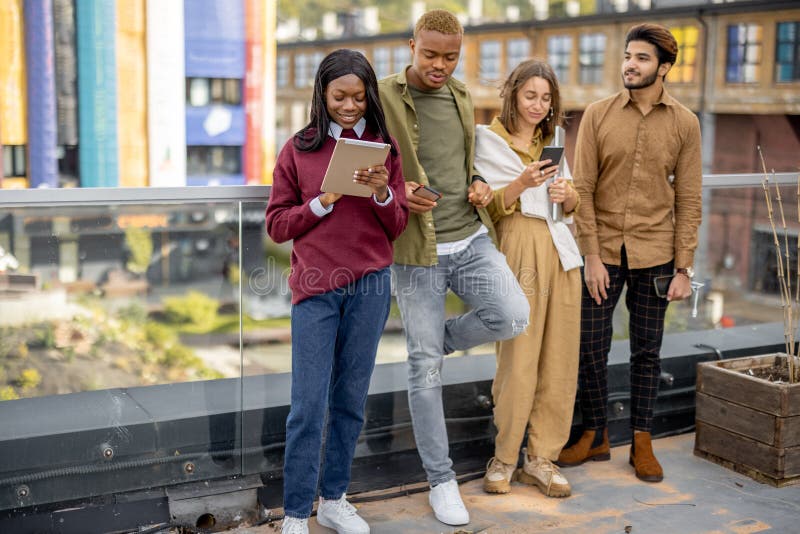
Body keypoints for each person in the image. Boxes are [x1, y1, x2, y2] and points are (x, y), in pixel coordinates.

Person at [378, 9, 530, 526]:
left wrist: (480, 185)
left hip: (470, 238)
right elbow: (361, 165)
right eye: (430, 54)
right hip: (416, 253)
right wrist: (395, 192)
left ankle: (431, 343)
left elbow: (465, 164)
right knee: (425, 373)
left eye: (450, 56)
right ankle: (441, 480)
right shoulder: (381, 95)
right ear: (411, 44)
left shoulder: (462, 96)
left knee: (512, 316)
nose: (440, 65)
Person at [265, 49, 408, 534]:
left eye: (358, 95)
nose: (350, 105)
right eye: (339, 96)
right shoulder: (298, 150)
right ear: (322, 96)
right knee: (308, 405)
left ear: (370, 94)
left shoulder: (384, 148)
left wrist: (382, 193)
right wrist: (322, 202)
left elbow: (398, 223)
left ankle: (334, 498)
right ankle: (294, 511)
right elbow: (277, 225)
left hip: (370, 286)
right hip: (315, 288)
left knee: (350, 399)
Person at [558, 23, 702, 483]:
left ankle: (642, 440)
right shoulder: (599, 115)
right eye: (627, 56)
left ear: (664, 67)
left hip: (656, 254)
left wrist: (684, 267)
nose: (630, 65)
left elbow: (690, 198)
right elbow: (582, 188)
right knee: (590, 348)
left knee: (647, 352)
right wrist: (592, 257)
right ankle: (595, 433)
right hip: (604, 254)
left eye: (641, 58)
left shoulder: (685, 123)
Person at [474, 59, 582, 497]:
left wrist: (567, 194)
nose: (538, 105)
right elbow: (487, 205)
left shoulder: (552, 143)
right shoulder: (487, 141)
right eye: (530, 95)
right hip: (517, 248)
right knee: (517, 359)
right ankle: (503, 457)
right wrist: (522, 182)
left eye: (546, 97)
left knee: (559, 361)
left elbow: (570, 205)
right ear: (513, 94)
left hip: (560, 250)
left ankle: (541, 459)